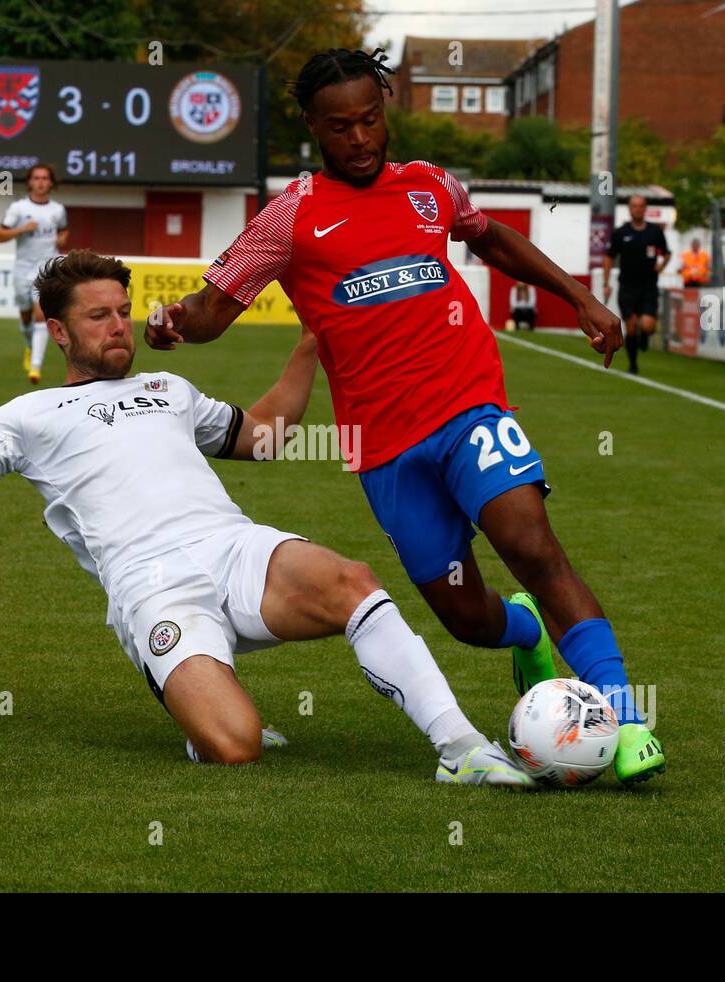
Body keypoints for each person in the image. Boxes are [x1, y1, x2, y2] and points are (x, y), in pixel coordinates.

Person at [0, 250, 536, 788]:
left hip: (232, 550)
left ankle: (460, 749)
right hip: (153, 590)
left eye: (123, 310)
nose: (119, 327)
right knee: (237, 747)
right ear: (58, 327)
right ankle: (198, 705)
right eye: (100, 316)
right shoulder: (26, 416)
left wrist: (308, 352)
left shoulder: (170, 391)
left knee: (354, 581)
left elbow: (260, 437)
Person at [147, 48, 664, 785]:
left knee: (532, 543)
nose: (360, 139)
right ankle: (523, 633)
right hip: (384, 449)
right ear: (312, 129)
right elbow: (210, 312)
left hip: (469, 406)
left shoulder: (429, 186)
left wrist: (580, 297)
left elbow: (492, 238)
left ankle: (627, 720)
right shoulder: (289, 216)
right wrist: (172, 323)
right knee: (465, 617)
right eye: (340, 127)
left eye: (370, 119)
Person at [0, 164, 68, 384]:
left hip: (45, 268)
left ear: (51, 183)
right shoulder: (18, 208)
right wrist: (22, 230)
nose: (40, 182)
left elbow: (64, 230)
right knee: (25, 315)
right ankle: (29, 345)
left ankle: (35, 368)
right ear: (29, 182)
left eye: (45, 178)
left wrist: (62, 239)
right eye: (36, 178)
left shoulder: (58, 209)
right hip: (22, 267)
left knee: (40, 315)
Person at [602, 194, 670, 374]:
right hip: (627, 287)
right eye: (634, 206)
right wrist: (606, 282)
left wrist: (661, 266)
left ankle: (645, 336)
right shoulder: (621, 233)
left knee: (648, 325)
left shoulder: (654, 232)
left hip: (648, 286)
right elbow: (609, 257)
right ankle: (633, 365)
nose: (637, 209)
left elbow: (667, 253)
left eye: (641, 206)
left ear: (645, 208)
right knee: (631, 325)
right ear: (630, 209)